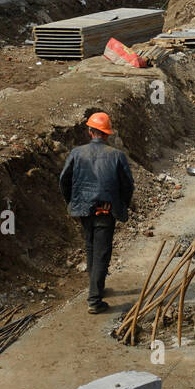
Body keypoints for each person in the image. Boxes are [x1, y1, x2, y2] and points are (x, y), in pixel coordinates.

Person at [59, 112, 134, 314]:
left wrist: (73, 202)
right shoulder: (116, 156)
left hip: (84, 209)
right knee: (101, 252)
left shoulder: (76, 153)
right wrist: (121, 206)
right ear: (106, 135)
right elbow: (127, 185)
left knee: (91, 247)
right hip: (105, 210)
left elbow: (64, 181)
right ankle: (94, 299)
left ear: (90, 131)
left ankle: (96, 288)